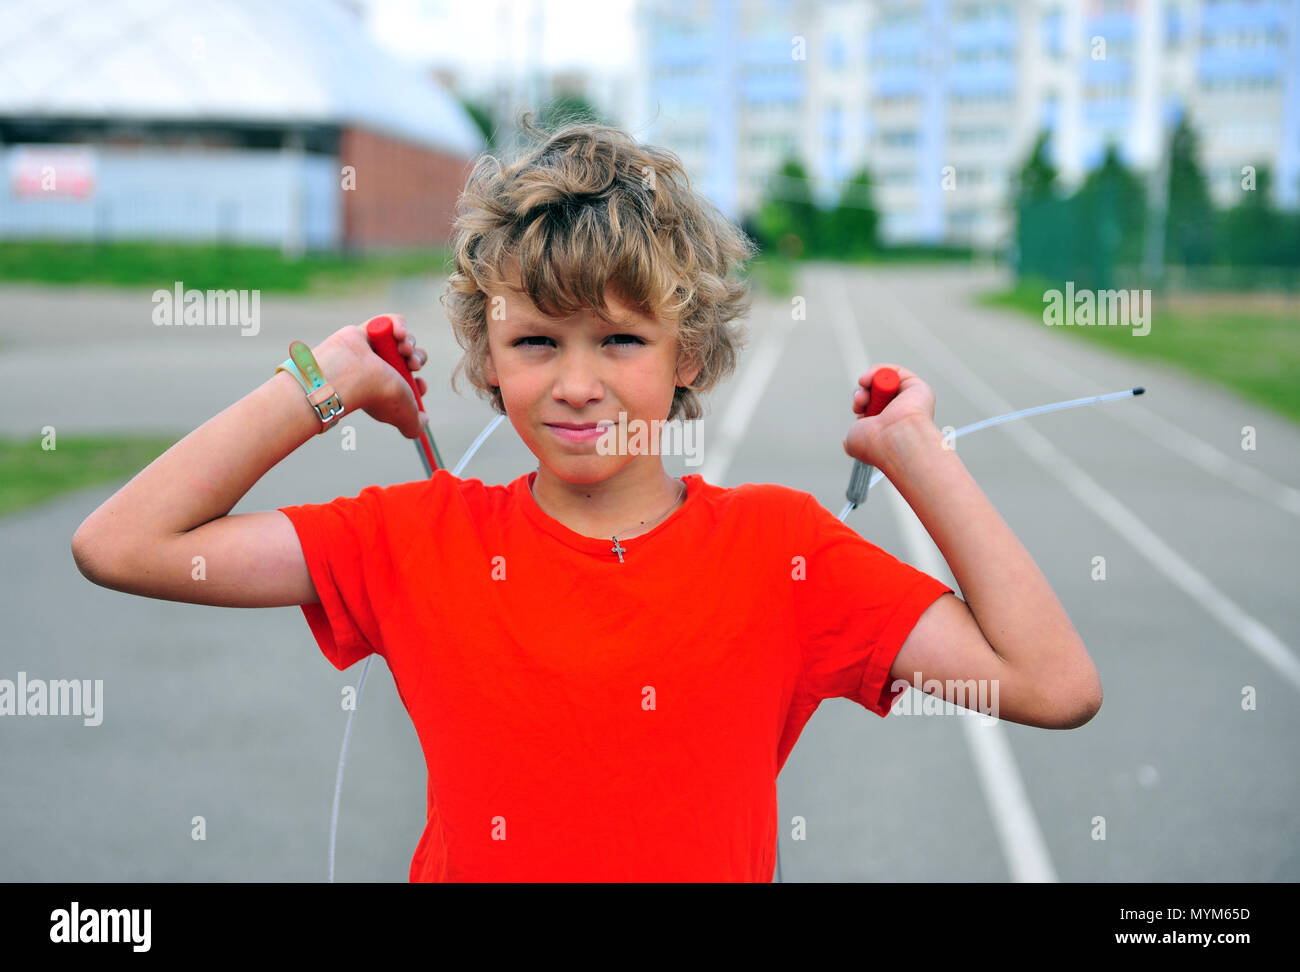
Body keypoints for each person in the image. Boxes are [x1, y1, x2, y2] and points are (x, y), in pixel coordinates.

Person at [70, 116, 1101, 883]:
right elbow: (123, 544)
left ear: (685, 351)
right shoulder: (417, 537)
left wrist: (918, 453)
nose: (575, 383)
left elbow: (1052, 686)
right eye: (534, 342)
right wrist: (325, 377)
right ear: (487, 357)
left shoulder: (780, 552)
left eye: (618, 338)